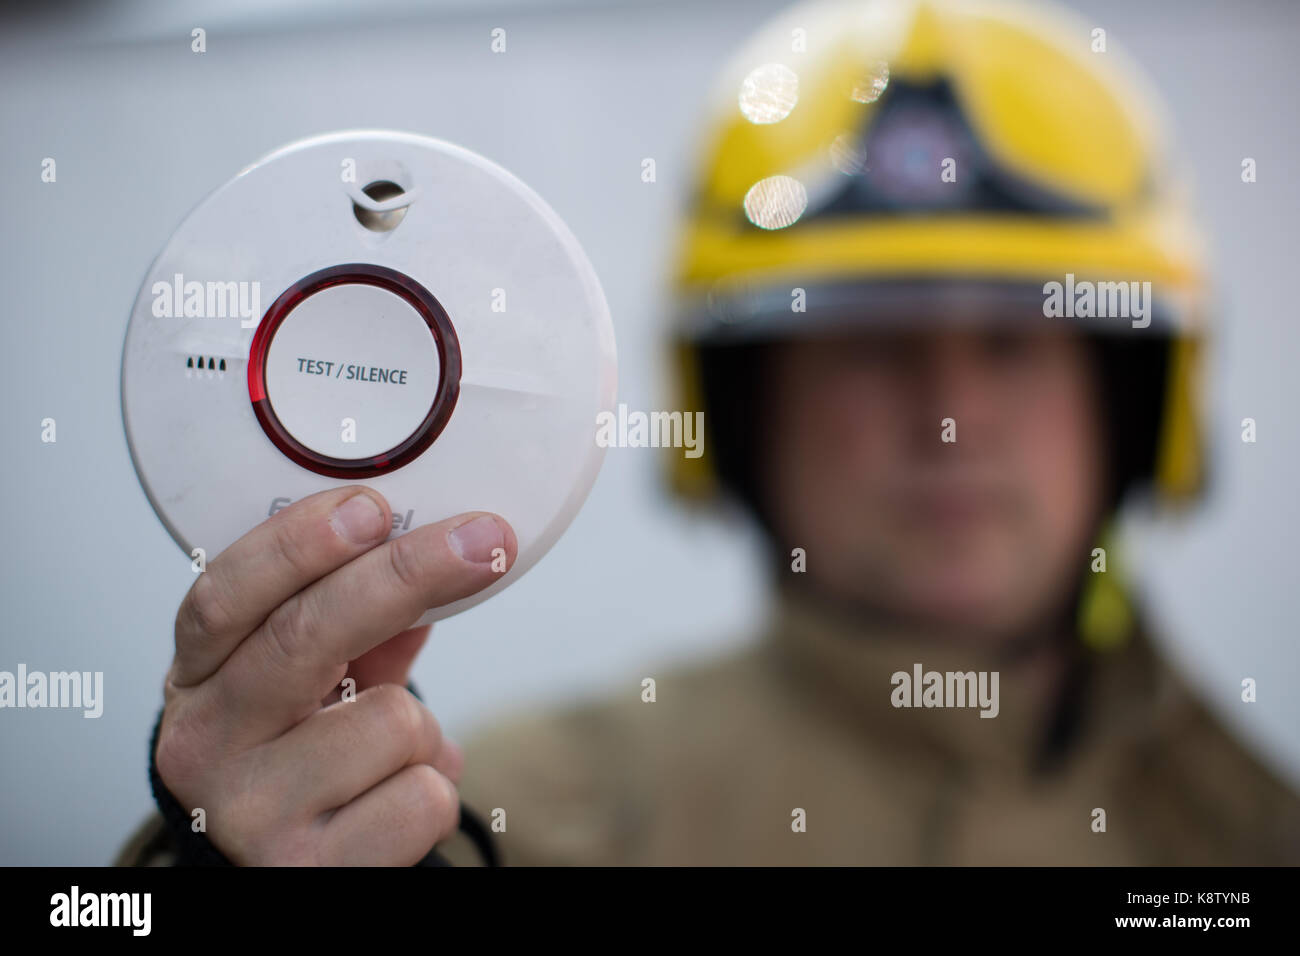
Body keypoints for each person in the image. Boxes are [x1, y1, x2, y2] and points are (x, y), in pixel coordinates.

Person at [116, 0, 1300, 866]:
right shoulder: (498, 813)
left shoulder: (1261, 833)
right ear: (742, 415)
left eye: (1013, 340)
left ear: (1132, 409)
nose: (951, 415)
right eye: (870, 344)